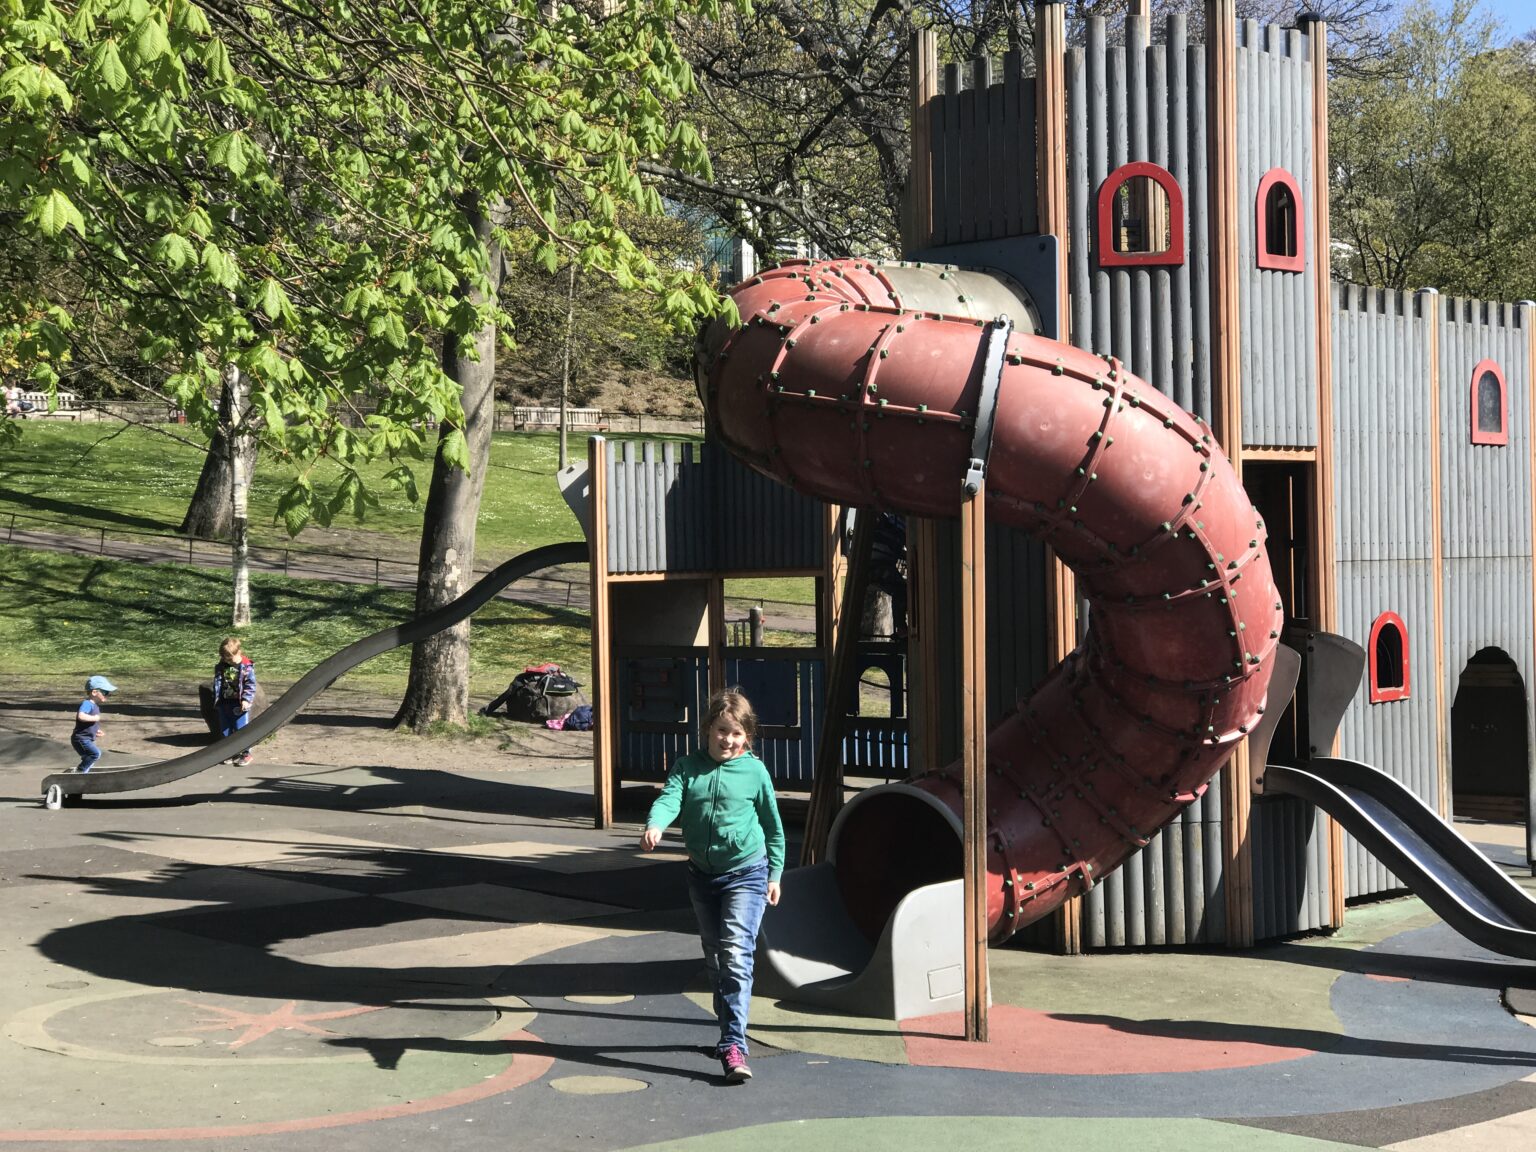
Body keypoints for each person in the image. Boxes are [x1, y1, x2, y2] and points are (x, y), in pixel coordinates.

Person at [641, 689, 784, 1084]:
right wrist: (656, 824)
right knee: (716, 959)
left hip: (747, 873)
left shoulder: (754, 773)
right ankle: (727, 1033)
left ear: (747, 737)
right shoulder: (688, 768)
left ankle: (735, 1043)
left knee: (736, 954)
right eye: (722, 730)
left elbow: (773, 826)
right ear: (707, 729)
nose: (728, 740)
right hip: (702, 876)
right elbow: (670, 799)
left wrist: (775, 874)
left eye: (736, 733)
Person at [212, 637, 257, 767]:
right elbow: (218, 683)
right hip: (224, 702)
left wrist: (246, 699)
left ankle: (246, 753)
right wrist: (216, 698)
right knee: (225, 729)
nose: (228, 661)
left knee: (241, 729)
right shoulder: (222, 666)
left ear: (239, 652)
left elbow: (250, 684)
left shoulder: (246, 667)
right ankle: (231, 753)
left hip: (239, 704)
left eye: (230, 659)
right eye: (225, 659)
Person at [71, 675, 116, 773]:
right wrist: (95, 718)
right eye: (105, 692)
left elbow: (87, 723)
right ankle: (80, 771)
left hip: (85, 739)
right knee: (95, 754)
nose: (107, 695)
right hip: (81, 739)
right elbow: (81, 716)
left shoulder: (94, 706)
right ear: (94, 692)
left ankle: (83, 772)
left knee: (88, 758)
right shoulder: (87, 704)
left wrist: (96, 730)